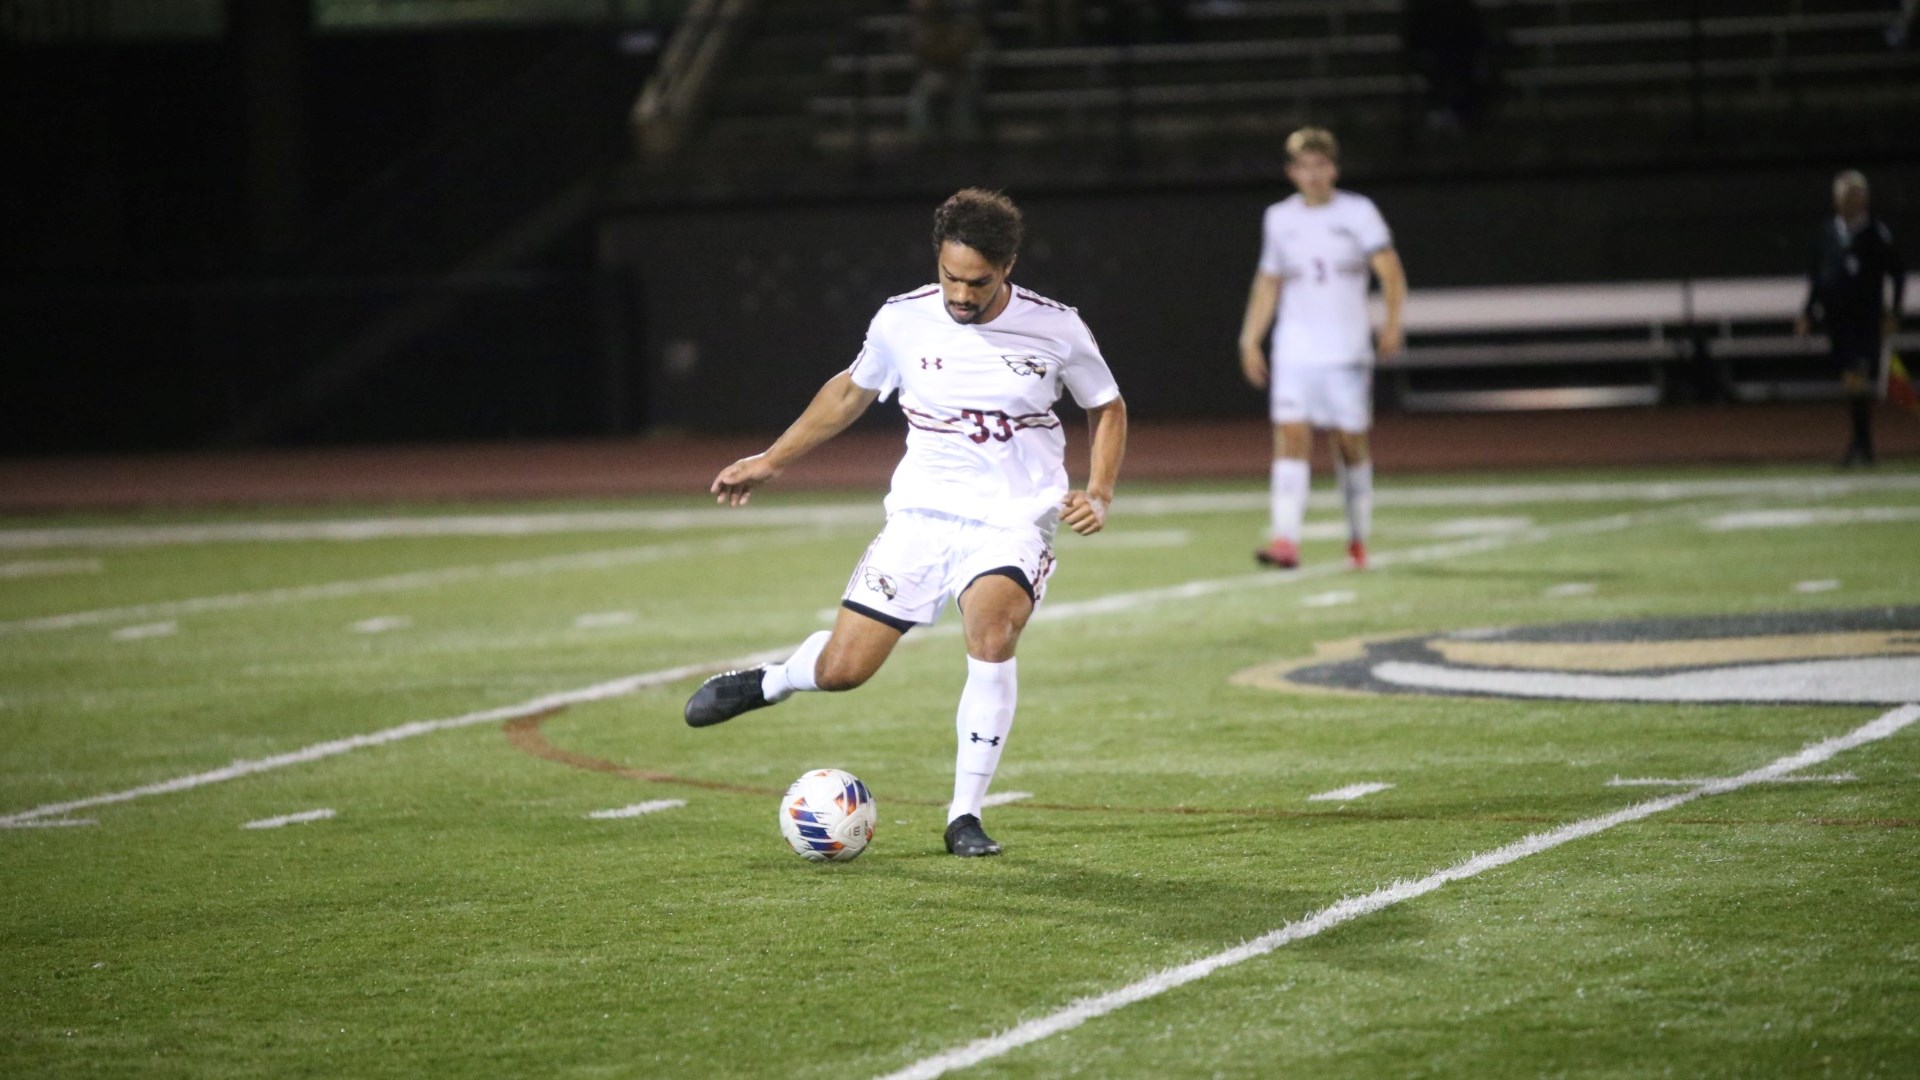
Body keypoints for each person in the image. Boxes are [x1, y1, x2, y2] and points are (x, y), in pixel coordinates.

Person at [683, 188, 1128, 858]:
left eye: (978, 282)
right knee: (844, 671)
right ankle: (771, 682)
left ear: (1006, 268)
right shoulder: (903, 321)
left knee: (993, 628)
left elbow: (1108, 404)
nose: (962, 294)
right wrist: (771, 461)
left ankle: (964, 816)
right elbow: (848, 392)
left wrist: (1099, 490)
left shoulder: (1057, 327)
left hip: (1012, 519)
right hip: (920, 518)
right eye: (952, 277)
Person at [1236, 127, 1406, 571]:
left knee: (1349, 444)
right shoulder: (1279, 217)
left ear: (1333, 168)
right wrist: (1251, 337)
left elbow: (1390, 271)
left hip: (1346, 349)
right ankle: (1285, 540)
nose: (1313, 175)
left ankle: (1357, 539)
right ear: (1292, 173)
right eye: (1304, 167)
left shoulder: (1359, 211)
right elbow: (1269, 281)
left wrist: (1391, 323)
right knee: (1291, 437)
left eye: (1321, 166)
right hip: (1295, 349)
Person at [1795, 169, 1906, 468]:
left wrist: (1894, 311)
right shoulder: (1827, 233)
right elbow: (1817, 278)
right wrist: (1807, 312)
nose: (1851, 201)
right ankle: (1864, 446)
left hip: (1866, 317)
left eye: (1856, 195)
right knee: (1850, 381)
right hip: (1837, 319)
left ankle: (1859, 445)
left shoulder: (1875, 233)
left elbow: (1897, 273)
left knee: (1856, 378)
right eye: (1846, 196)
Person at [906, 0, 985, 145]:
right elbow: (923, 50)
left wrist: (944, 50)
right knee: (919, 100)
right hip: (932, 74)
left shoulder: (961, 22)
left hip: (959, 74)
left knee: (964, 97)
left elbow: (960, 49)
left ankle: (967, 144)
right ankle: (921, 145)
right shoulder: (922, 26)